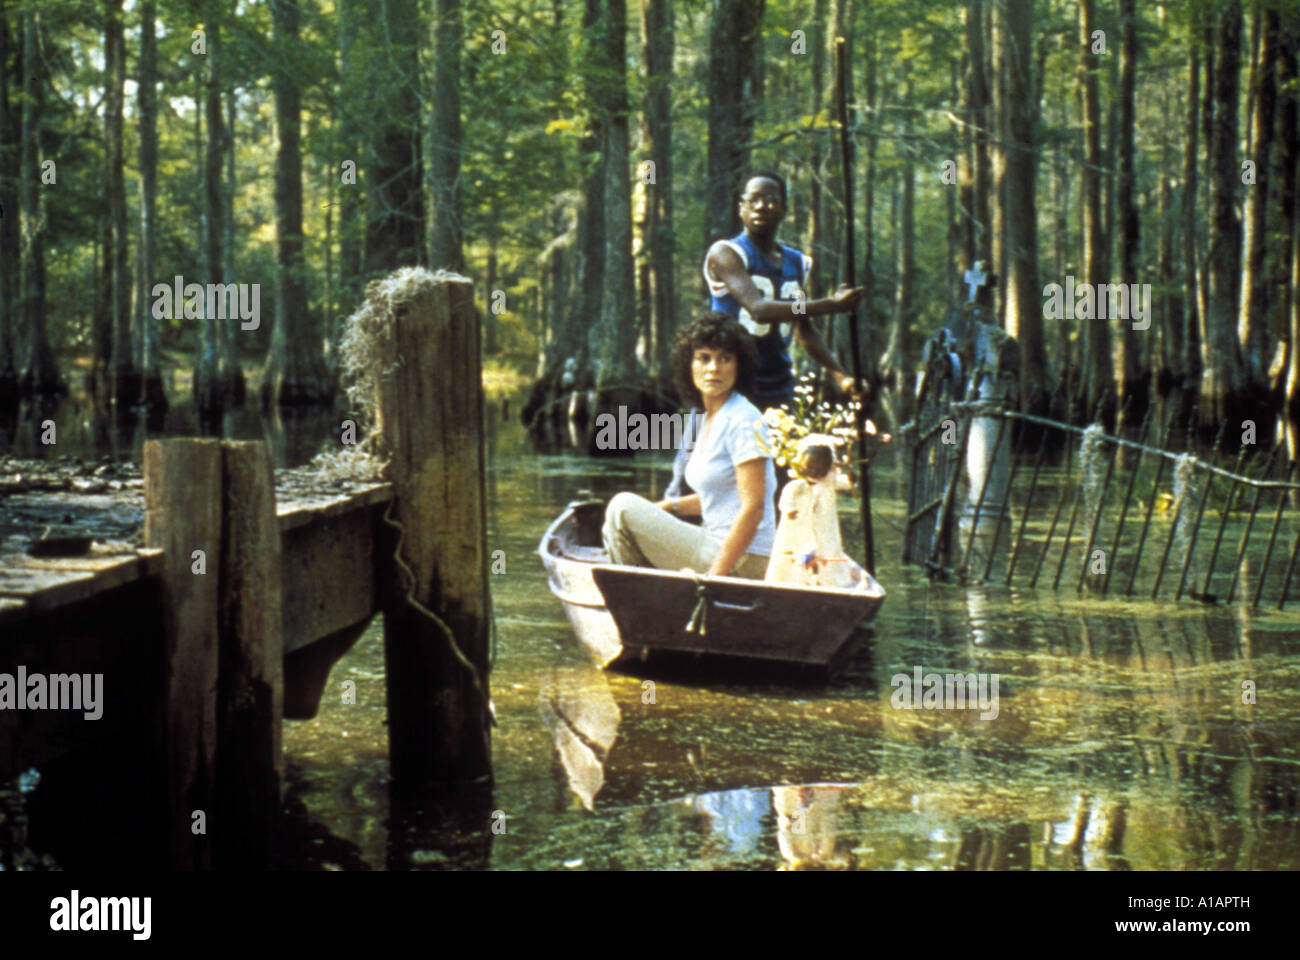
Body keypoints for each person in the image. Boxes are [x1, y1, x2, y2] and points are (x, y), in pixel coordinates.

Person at [666, 170, 865, 500]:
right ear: (741, 208)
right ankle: (667, 531)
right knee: (697, 472)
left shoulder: (797, 262)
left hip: (776, 382)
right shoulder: (727, 253)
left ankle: (772, 547)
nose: (762, 206)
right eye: (754, 200)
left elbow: (804, 329)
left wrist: (840, 376)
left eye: (771, 199)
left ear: (784, 209)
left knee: (779, 475)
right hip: (727, 379)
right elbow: (757, 308)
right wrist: (829, 304)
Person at [603, 313, 776, 579]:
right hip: (718, 545)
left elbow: (753, 508)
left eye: (725, 359)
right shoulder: (709, 417)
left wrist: (714, 578)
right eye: (704, 358)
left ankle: (641, 597)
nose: (713, 368)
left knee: (621, 507)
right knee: (618, 519)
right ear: (689, 365)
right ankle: (649, 593)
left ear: (739, 367)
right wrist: (669, 507)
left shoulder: (743, 419)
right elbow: (720, 496)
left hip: (743, 559)